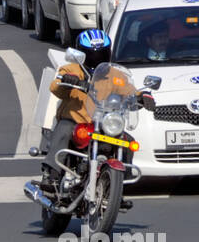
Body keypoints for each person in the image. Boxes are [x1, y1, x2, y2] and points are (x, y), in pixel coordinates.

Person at [37, 30, 134, 187]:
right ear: (81, 54)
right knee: (63, 130)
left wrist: (143, 96)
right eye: (92, 54)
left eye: (102, 54)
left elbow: (129, 90)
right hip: (76, 121)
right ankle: (51, 175)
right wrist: (68, 81)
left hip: (103, 124)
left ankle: (122, 183)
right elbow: (55, 86)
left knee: (127, 141)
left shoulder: (115, 75)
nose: (97, 59)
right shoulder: (71, 69)